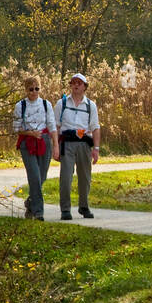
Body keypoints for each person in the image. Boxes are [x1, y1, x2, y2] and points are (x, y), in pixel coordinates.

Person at [55, 72, 101, 220]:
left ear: (85, 87)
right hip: (67, 143)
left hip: (84, 144)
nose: (75, 85)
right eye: (73, 82)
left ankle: (84, 207)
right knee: (66, 178)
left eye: (79, 83)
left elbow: (95, 128)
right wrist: (55, 147)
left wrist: (96, 149)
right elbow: (55, 127)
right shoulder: (61, 103)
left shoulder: (90, 106)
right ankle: (65, 210)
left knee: (85, 178)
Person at [13, 76, 58, 220]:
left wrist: (56, 145)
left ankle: (31, 202)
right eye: (31, 89)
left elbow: (52, 126)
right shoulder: (20, 106)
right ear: (26, 90)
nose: (34, 92)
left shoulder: (46, 104)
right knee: (34, 176)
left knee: (42, 176)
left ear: (40, 88)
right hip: (28, 143)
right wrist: (30, 133)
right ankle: (39, 213)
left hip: (44, 141)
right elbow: (16, 128)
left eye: (36, 88)